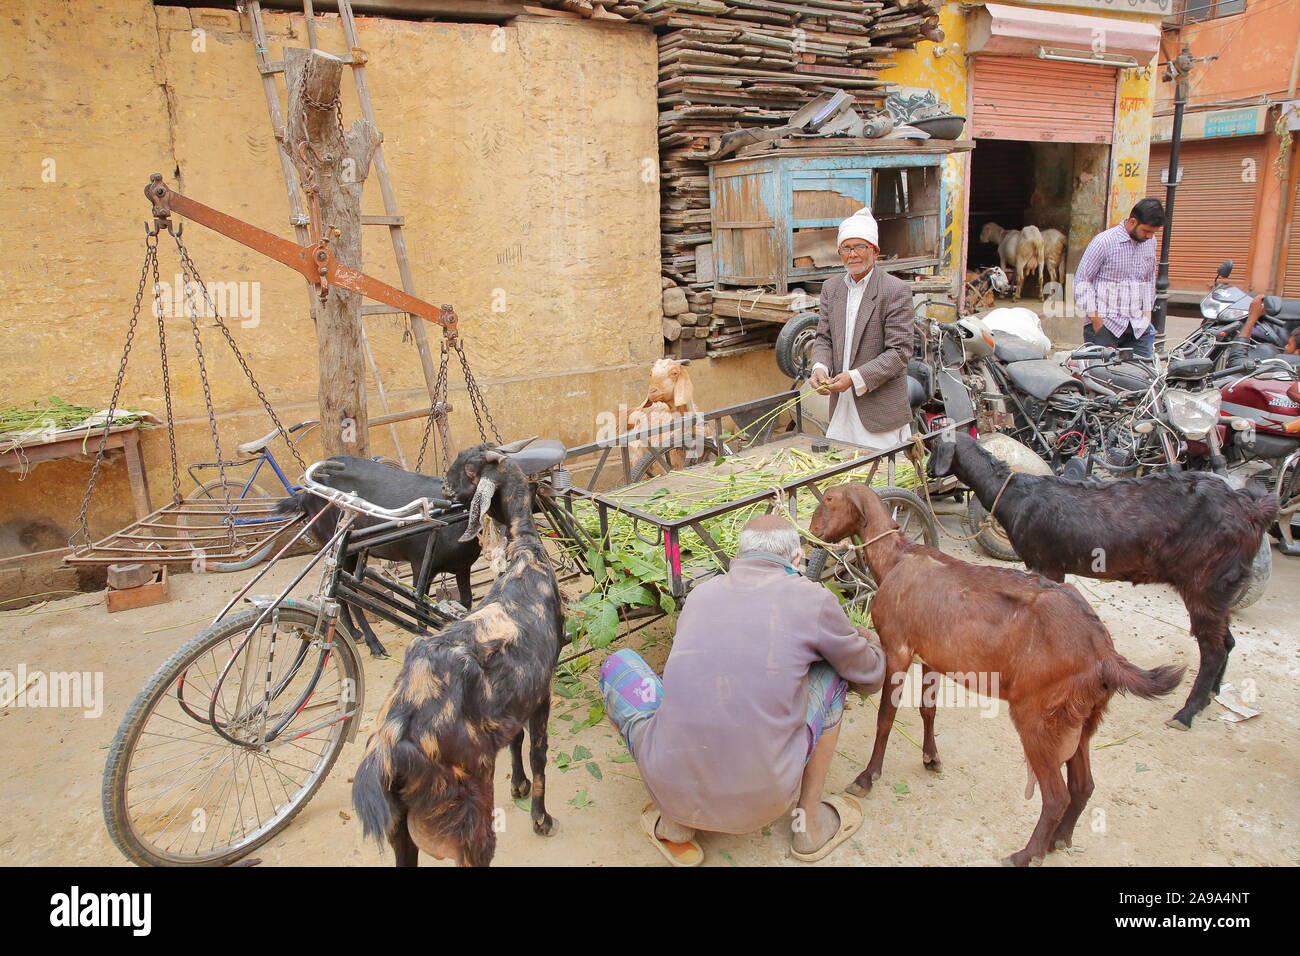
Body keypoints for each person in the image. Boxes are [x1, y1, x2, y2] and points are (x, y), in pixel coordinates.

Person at [597, 514, 886, 866]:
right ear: (796, 560)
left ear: (740, 555)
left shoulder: (700, 594)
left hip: (671, 790)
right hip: (764, 801)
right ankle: (807, 824)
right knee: (834, 671)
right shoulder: (814, 599)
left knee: (618, 663)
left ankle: (674, 823)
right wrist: (866, 640)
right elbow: (869, 675)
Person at [808, 207, 915, 451]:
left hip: (877, 410)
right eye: (846, 248)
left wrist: (854, 378)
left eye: (859, 247)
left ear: (875, 251)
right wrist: (819, 367)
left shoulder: (894, 290)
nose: (852, 254)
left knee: (878, 481)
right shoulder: (831, 288)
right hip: (841, 404)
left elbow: (899, 352)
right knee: (841, 470)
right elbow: (824, 338)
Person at [1074, 197, 1165, 359]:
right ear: (1132, 222)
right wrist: (1097, 324)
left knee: (1142, 379)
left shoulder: (1150, 243)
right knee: (1101, 380)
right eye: (1146, 231)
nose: (1150, 236)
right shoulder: (1104, 242)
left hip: (1138, 327)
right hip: (1105, 325)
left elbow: (1149, 279)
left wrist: (1147, 316)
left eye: (1153, 232)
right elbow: (1081, 282)